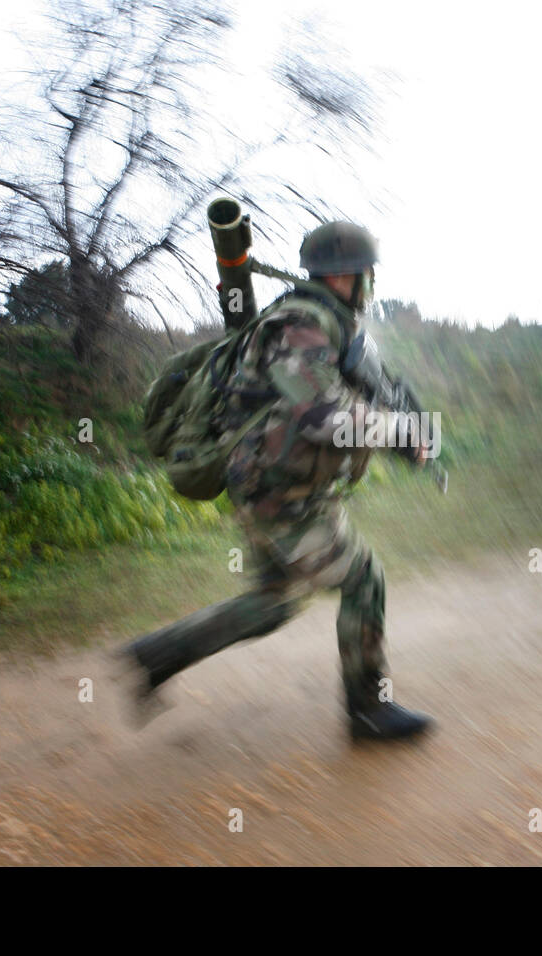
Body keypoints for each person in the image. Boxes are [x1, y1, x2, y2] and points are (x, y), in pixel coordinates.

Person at [119, 221, 434, 741]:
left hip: (275, 481)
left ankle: (155, 655)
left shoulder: (316, 319)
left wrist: (400, 428)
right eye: (366, 273)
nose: (371, 282)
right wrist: (399, 432)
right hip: (278, 489)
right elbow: (319, 414)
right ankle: (367, 710)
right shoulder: (303, 323)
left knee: (273, 602)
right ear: (345, 276)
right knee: (362, 579)